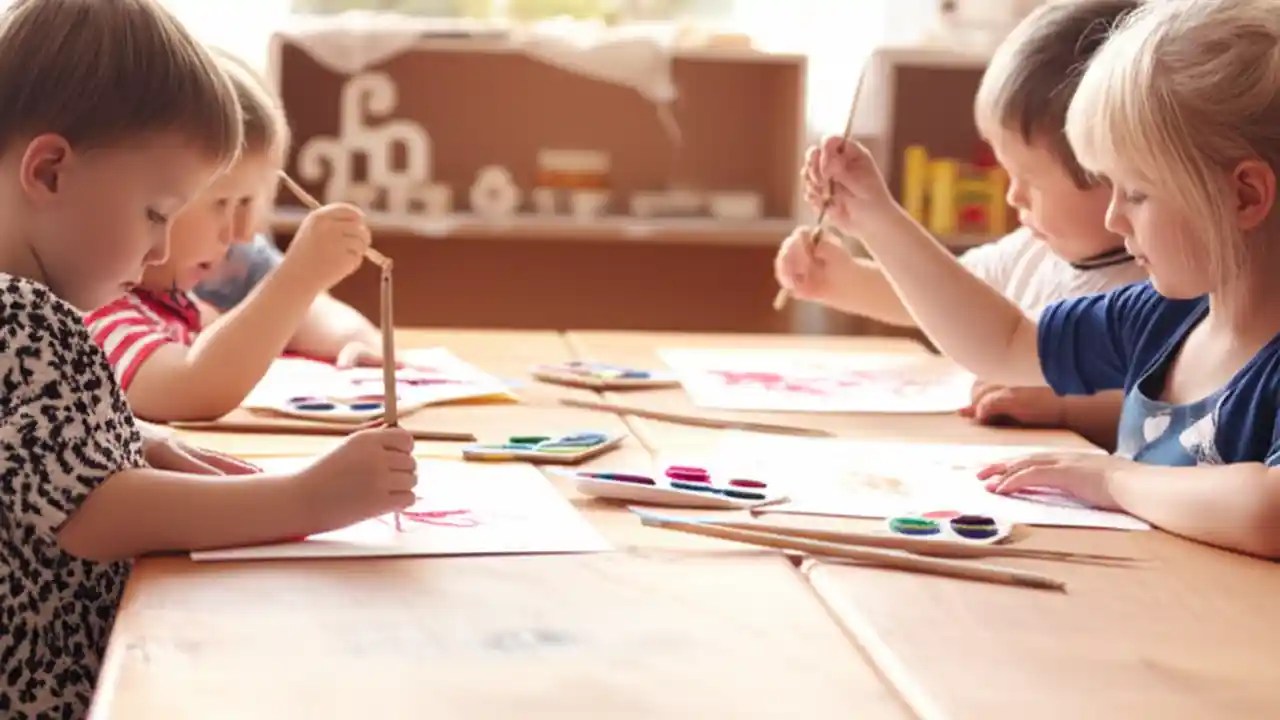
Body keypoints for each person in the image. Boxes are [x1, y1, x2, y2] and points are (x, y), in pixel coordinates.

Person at [0, 1, 416, 714]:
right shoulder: (27, 316)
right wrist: (307, 499)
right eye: (155, 213)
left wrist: (134, 439)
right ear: (51, 172)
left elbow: (24, 454)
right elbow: (92, 512)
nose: (161, 248)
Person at [800, 0, 1280, 558]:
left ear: (1244, 195)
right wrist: (875, 219)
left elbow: (1271, 511)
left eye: (1137, 193)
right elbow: (1004, 342)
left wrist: (1112, 479)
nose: (1114, 218)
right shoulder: (1160, 316)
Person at [775, 0, 1145, 450]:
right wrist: (843, 280)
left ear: (1118, 177)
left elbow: (1171, 403)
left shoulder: (1160, 286)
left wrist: (1067, 407)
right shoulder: (1031, 250)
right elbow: (943, 296)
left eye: (1030, 180)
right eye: (1009, 175)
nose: (1013, 196)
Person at [86, 49, 382, 422]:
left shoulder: (177, 295)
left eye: (247, 203)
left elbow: (305, 319)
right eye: (222, 203)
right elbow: (189, 391)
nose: (241, 234)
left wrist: (351, 341)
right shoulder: (91, 310)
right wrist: (298, 276)